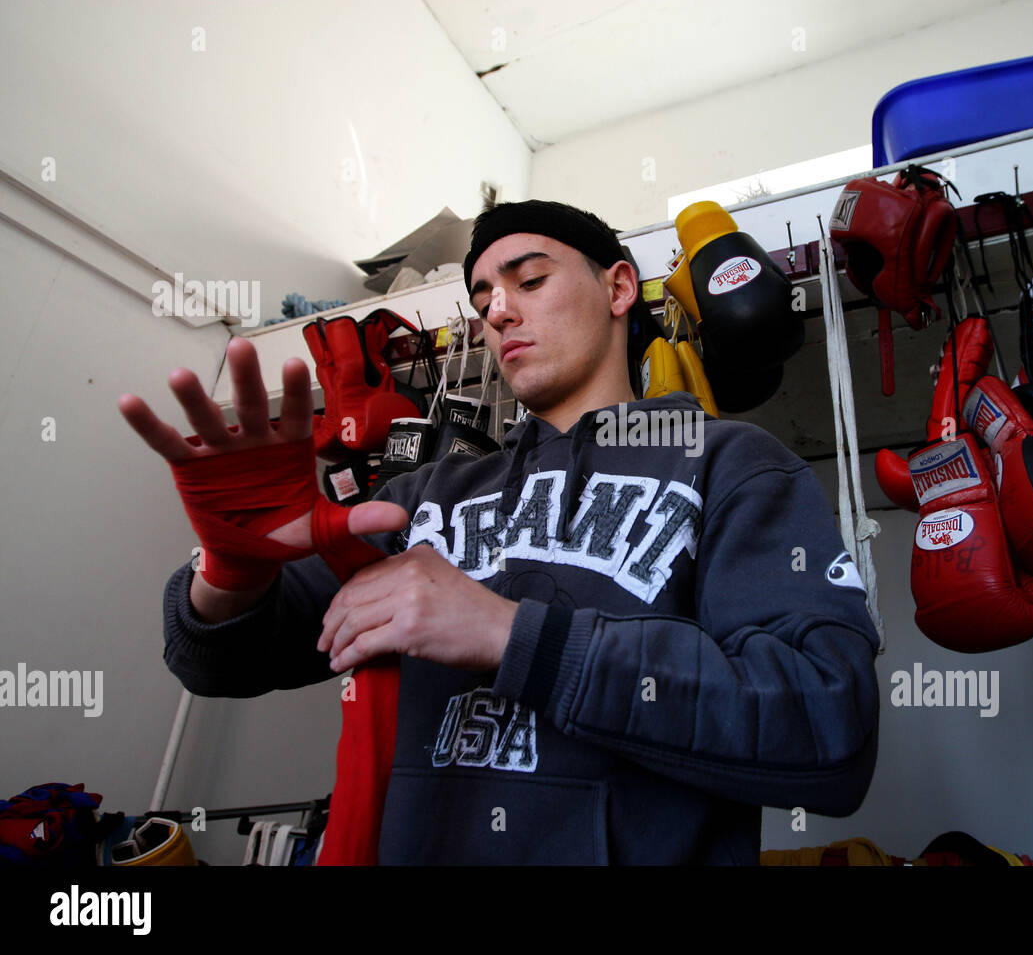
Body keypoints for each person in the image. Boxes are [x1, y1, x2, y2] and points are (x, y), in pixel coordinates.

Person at [123, 199, 882, 864]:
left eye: (529, 279)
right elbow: (215, 664)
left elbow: (827, 723)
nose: (497, 310)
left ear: (619, 287)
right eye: (483, 294)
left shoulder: (732, 466)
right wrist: (229, 574)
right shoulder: (418, 500)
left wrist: (515, 637)